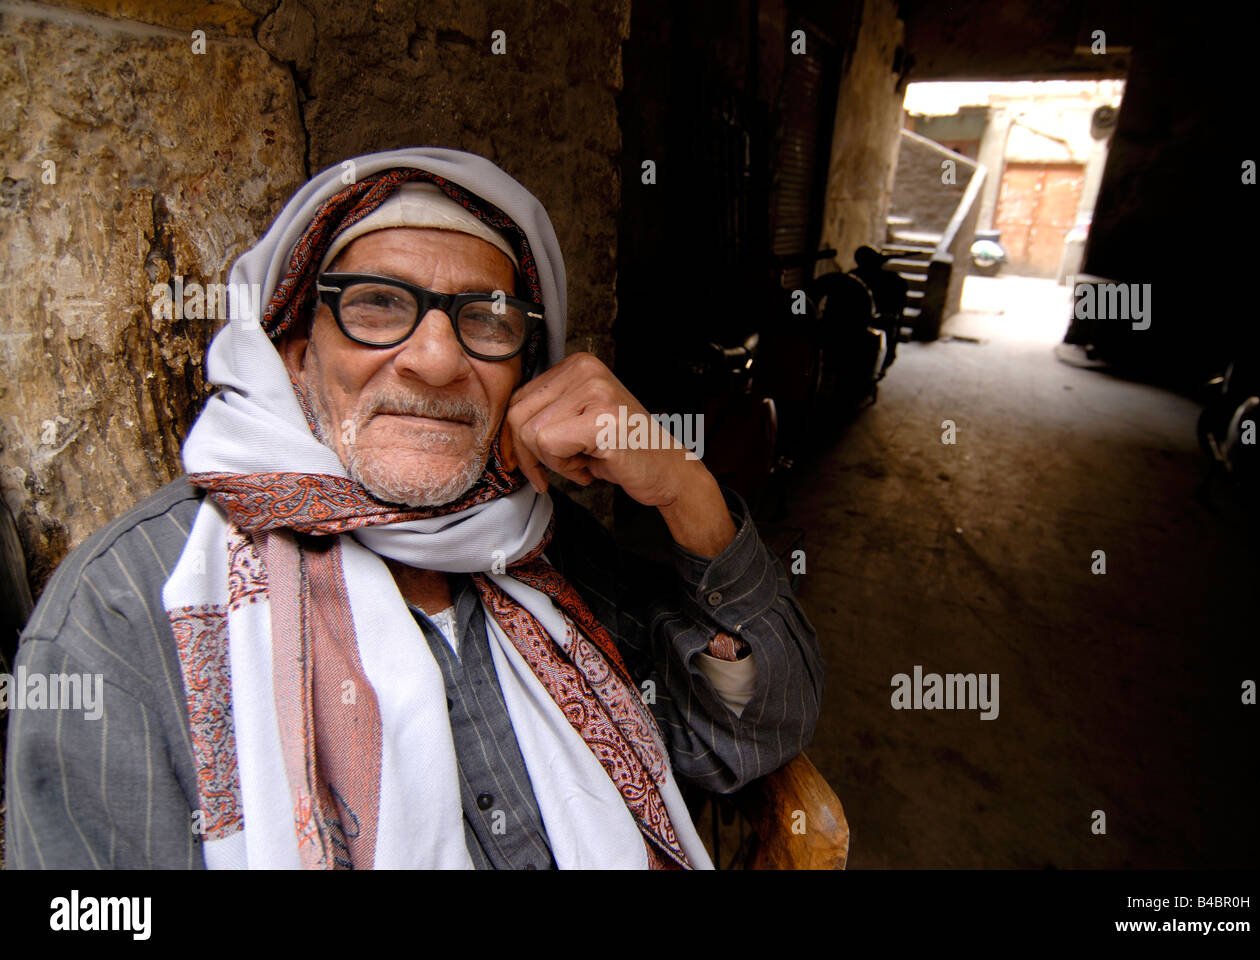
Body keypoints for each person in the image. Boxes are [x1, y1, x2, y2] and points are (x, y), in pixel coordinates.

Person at [4, 147, 823, 870]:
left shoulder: (545, 548)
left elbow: (751, 731)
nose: (434, 361)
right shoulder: (124, 614)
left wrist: (687, 491)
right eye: (376, 305)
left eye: (487, 320)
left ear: (526, 373)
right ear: (294, 355)